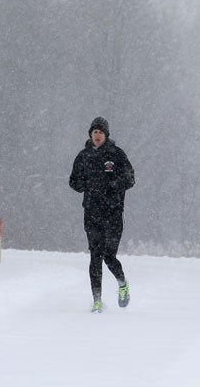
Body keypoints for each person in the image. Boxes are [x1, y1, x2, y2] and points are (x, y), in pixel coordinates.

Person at [69, 117, 135, 313]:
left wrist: (113, 186)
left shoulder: (116, 154)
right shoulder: (83, 156)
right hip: (91, 213)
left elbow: (130, 178)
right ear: (90, 134)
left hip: (113, 213)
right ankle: (97, 300)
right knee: (95, 256)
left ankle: (122, 284)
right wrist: (82, 184)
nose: (97, 135)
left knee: (109, 256)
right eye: (94, 132)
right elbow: (73, 181)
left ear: (106, 135)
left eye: (100, 132)